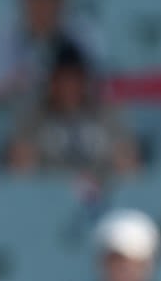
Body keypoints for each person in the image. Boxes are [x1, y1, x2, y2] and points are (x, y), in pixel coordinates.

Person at [7, 41, 140, 181]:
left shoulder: (107, 112)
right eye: (62, 80)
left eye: (75, 79)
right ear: (51, 83)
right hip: (47, 193)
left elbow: (128, 161)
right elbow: (19, 166)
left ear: (85, 81)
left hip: (101, 191)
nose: (68, 87)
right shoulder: (33, 117)